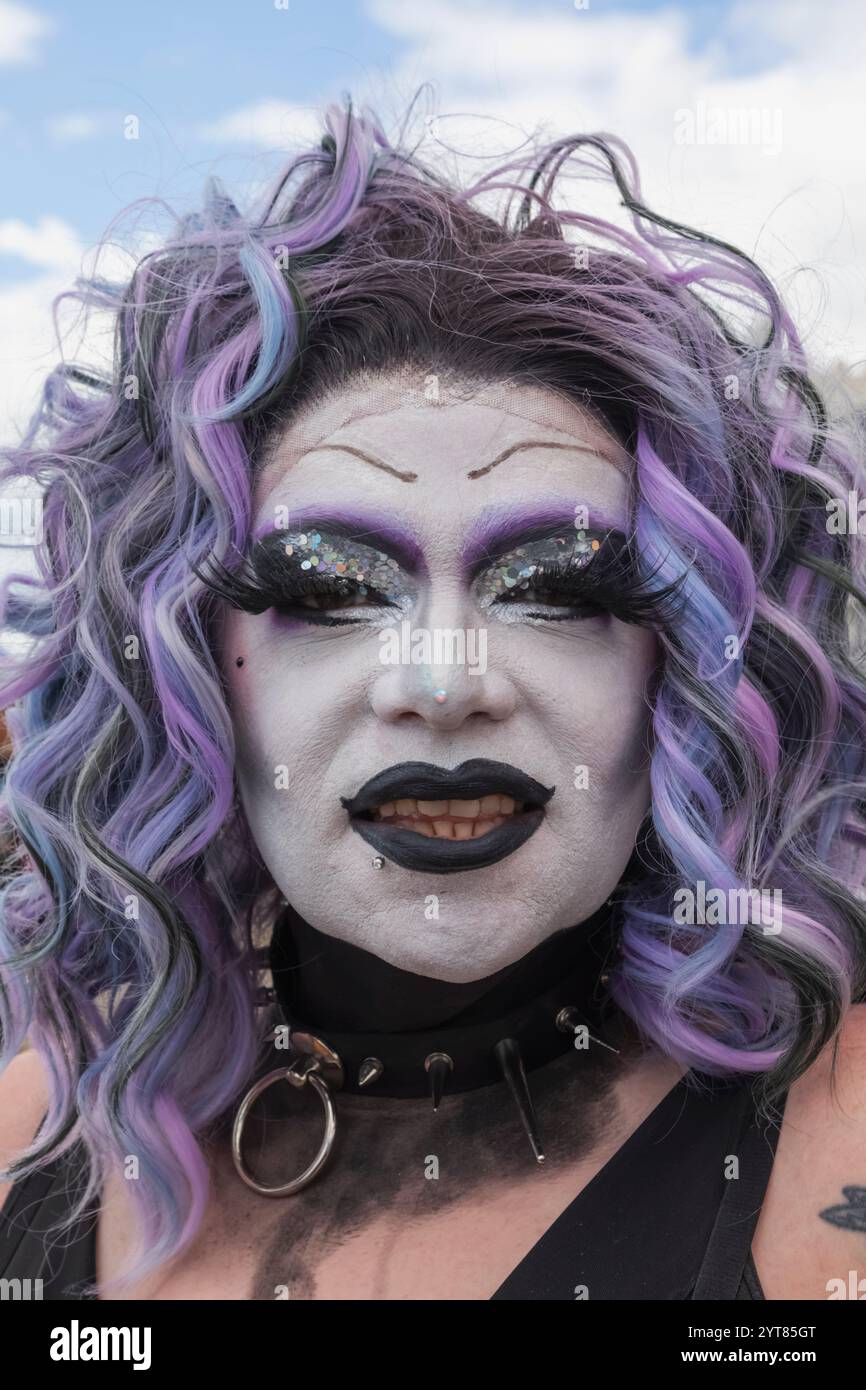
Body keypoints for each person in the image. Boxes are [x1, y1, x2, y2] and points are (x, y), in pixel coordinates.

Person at [1, 94, 866, 1302]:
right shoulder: (40, 1123)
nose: (444, 684)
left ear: (684, 667)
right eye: (329, 588)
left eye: (558, 588)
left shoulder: (839, 1139)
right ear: (195, 672)